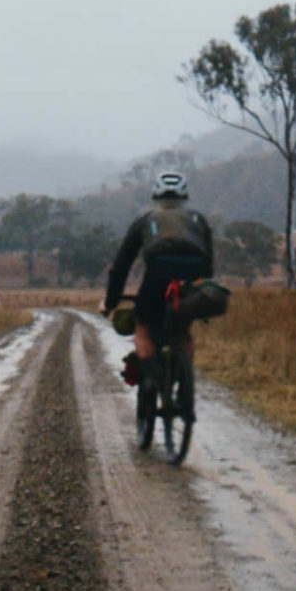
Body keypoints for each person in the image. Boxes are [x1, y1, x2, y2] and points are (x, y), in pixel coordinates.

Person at [101, 172, 214, 413]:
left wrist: (111, 302)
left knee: (143, 327)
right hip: (193, 275)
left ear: (155, 193)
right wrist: (204, 293)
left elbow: (121, 266)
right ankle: (184, 385)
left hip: (158, 274)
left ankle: (152, 375)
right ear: (184, 194)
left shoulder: (145, 217)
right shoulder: (197, 218)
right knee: (183, 331)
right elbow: (209, 261)